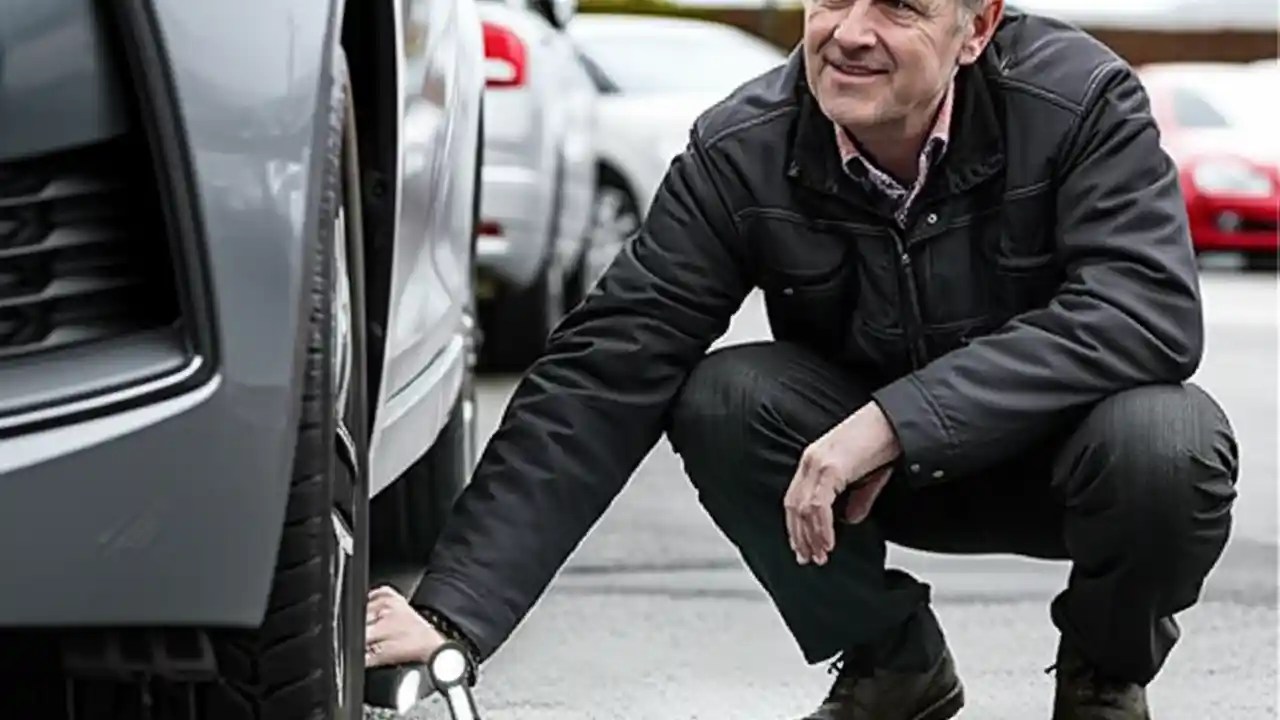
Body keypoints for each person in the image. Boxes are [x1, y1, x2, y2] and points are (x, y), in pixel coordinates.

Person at [363, 1, 1240, 718]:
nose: (852, 31)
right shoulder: (744, 148)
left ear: (977, 29)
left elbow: (1145, 308)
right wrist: (454, 614)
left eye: (899, 6)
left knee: (1171, 442)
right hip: (856, 487)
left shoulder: (1081, 100)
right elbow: (603, 374)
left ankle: (1103, 677)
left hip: (1062, 465)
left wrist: (897, 420)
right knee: (725, 397)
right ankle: (890, 666)